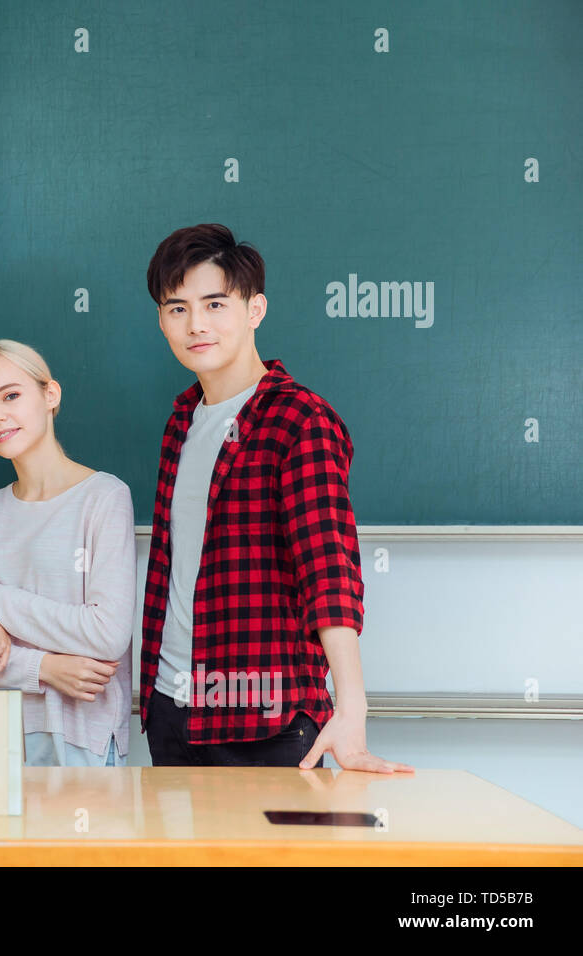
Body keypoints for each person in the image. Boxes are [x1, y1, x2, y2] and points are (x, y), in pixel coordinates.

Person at [140, 223, 413, 772]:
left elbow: (329, 571)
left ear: (255, 310)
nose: (196, 325)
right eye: (177, 308)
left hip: (266, 718)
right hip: (173, 710)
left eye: (215, 304)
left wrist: (352, 705)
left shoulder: (299, 420)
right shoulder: (181, 423)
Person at [0, 340, 136, 766]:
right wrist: (42, 668)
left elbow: (106, 633)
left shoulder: (104, 497)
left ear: (50, 396)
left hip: (85, 737)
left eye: (11, 396)